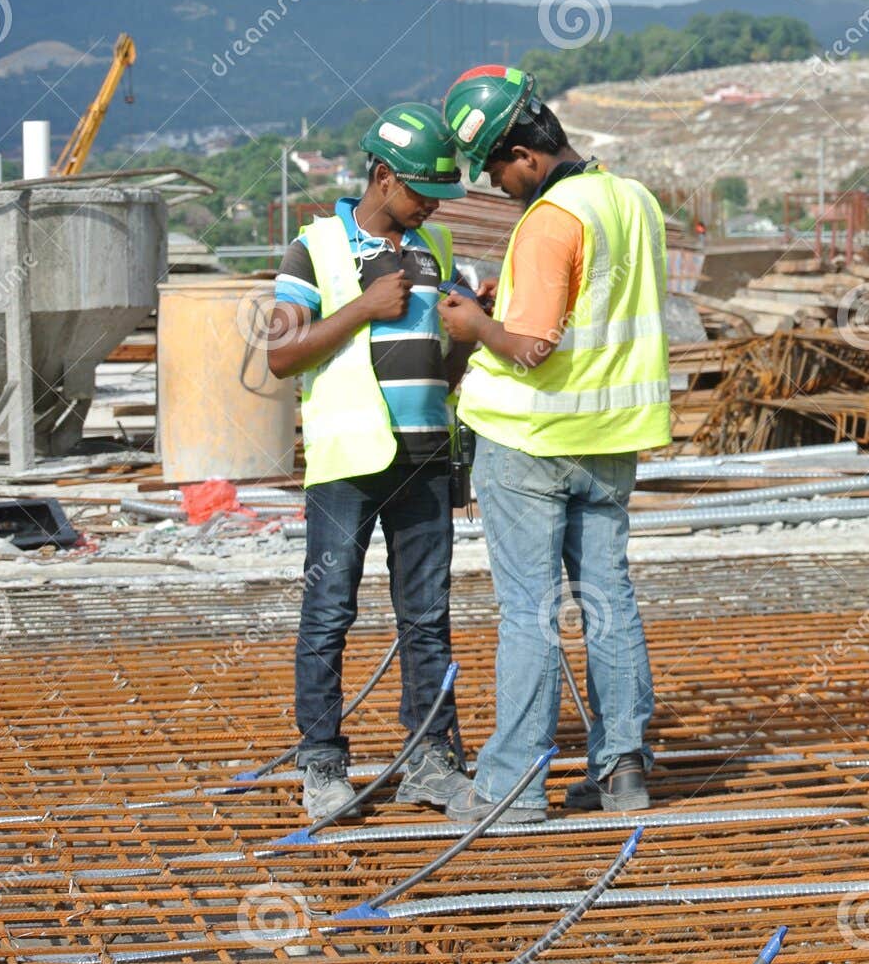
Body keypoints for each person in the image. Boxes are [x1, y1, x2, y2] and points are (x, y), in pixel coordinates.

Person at [435, 65, 670, 824]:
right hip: (610, 441)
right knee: (608, 601)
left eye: (495, 169)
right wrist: (510, 306)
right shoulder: (634, 201)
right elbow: (596, 308)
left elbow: (532, 349)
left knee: (530, 613)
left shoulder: (548, 219)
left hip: (531, 439)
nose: (496, 184)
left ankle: (511, 788)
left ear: (525, 154)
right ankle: (623, 770)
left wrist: (475, 324)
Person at [265, 103, 472, 819]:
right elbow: (281, 355)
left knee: (428, 617)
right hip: (347, 465)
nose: (431, 206)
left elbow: (446, 363)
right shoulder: (315, 248)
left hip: (425, 459)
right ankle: (323, 763)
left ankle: (432, 760)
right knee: (329, 613)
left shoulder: (436, 246)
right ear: (384, 177)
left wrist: (468, 334)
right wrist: (361, 306)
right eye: (421, 192)